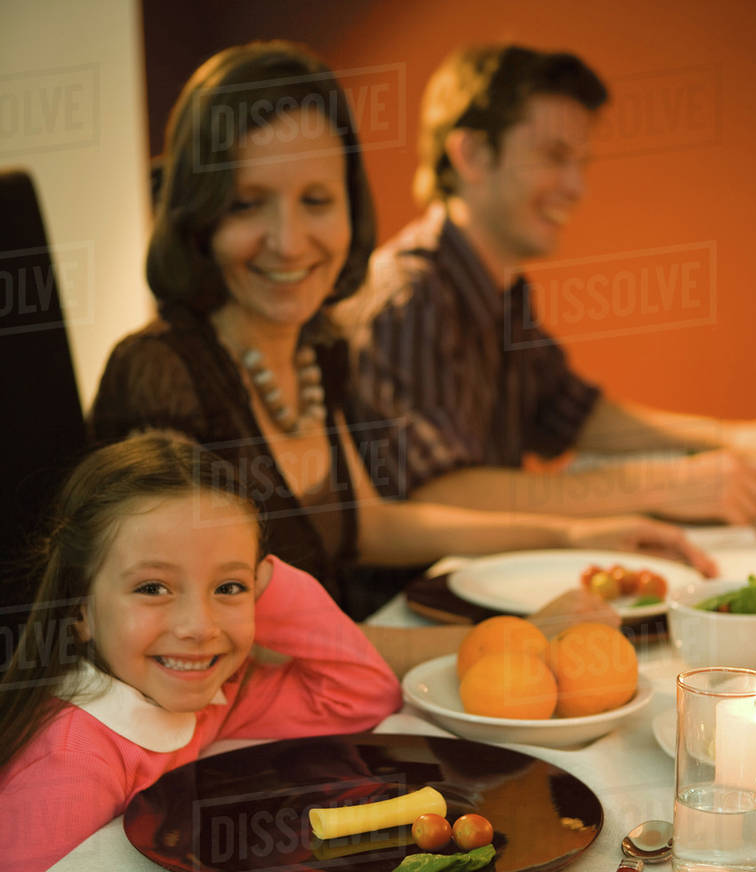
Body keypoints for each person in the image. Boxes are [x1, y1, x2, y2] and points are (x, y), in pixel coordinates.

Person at [87, 41, 714, 676]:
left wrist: (575, 535)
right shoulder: (161, 376)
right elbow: (227, 643)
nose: (288, 240)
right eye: (247, 203)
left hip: (327, 712)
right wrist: (515, 638)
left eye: (316, 201)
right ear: (198, 217)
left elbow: (371, 522)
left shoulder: (314, 347)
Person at [339, 44, 756, 524]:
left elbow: (573, 413)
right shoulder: (410, 297)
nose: (577, 187)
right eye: (554, 157)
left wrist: (730, 437)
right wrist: (664, 484)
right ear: (472, 154)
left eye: (581, 162)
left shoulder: (498, 288)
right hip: (410, 595)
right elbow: (441, 493)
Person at [0, 432, 402, 872]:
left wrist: (264, 585)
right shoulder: (72, 764)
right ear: (80, 611)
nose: (198, 626)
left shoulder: (215, 692)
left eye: (228, 588)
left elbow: (364, 693)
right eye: (152, 588)